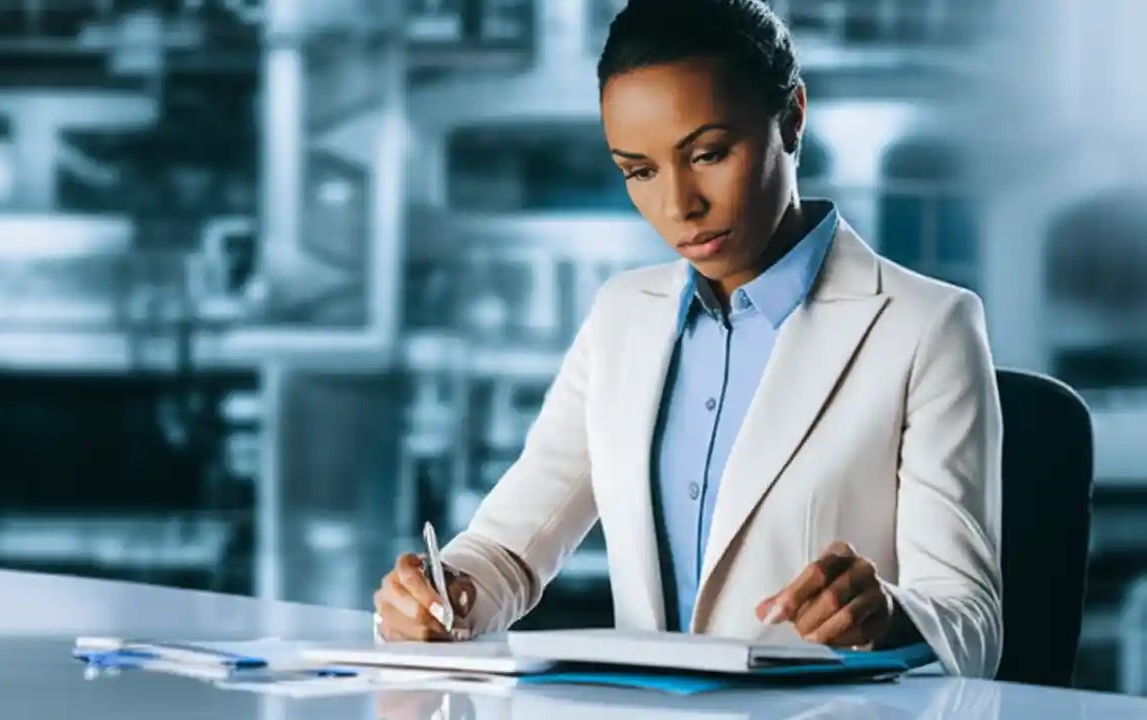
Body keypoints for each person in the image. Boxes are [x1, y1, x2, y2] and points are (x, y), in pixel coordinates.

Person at [374, 0, 1002, 679]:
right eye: (638, 170)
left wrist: (882, 613)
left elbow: (970, 622)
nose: (679, 206)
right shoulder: (623, 316)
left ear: (791, 117)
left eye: (708, 154)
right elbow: (507, 551)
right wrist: (447, 596)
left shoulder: (926, 326)